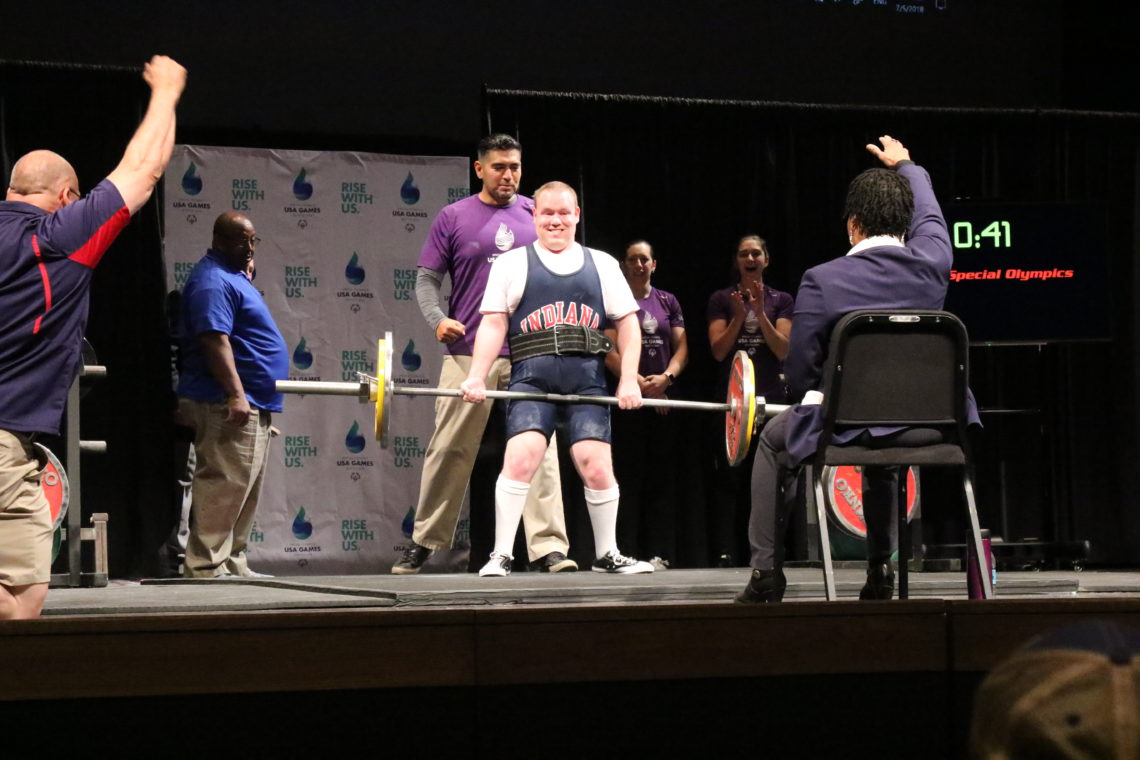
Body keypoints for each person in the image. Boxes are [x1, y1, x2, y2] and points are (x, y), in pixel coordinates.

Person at [737, 134, 974, 603]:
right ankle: (880, 574)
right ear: (907, 226)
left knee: (769, 441)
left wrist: (816, 390)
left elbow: (802, 372)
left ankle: (766, 575)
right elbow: (930, 214)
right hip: (936, 430)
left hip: (846, 428)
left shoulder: (822, 281)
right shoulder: (934, 263)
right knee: (881, 447)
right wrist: (908, 165)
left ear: (852, 226)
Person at [0, 55, 186, 619]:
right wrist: (167, 93)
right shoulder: (57, 238)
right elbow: (142, 171)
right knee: (18, 604)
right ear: (65, 197)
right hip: (3, 444)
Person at [394, 134, 571, 574]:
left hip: (530, 355)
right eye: (498, 167)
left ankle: (549, 547)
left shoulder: (539, 215)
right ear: (479, 169)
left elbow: (567, 275)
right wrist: (437, 319)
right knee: (449, 448)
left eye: (514, 166)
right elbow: (425, 281)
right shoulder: (454, 216)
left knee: (539, 452)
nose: (507, 175)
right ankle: (425, 541)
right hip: (468, 353)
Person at [460, 181, 654, 577]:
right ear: (534, 216)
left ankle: (607, 554)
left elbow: (629, 326)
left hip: (587, 380)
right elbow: (494, 324)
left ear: (577, 216)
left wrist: (629, 380)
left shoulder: (601, 264)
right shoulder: (511, 264)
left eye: (564, 213)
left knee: (596, 465)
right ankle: (500, 555)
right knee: (521, 458)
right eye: (547, 213)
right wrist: (477, 376)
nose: (556, 220)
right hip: (531, 380)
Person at [177, 212, 287, 578]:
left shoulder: (231, 277)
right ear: (220, 240)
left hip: (253, 401)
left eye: (254, 241)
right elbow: (213, 339)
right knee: (223, 487)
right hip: (225, 402)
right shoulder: (212, 281)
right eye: (243, 241)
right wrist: (237, 396)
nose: (250, 249)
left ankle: (233, 561)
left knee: (243, 489)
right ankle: (206, 566)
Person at [706, 235, 794, 566]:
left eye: (756, 252)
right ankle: (728, 553)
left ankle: (770, 553)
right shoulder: (720, 299)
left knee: (772, 480)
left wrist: (760, 312)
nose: (750, 258)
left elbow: (783, 348)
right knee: (730, 480)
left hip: (770, 400)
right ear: (737, 261)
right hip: (732, 402)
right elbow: (717, 351)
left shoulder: (782, 300)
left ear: (766, 259)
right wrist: (741, 315)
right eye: (744, 253)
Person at [603, 240, 688, 564]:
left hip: (664, 401)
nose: (639, 265)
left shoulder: (668, 301)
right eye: (633, 260)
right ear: (624, 265)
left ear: (654, 264)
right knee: (627, 477)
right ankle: (624, 551)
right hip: (628, 400)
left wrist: (666, 378)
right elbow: (609, 351)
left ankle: (659, 553)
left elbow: (682, 347)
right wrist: (636, 381)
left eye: (645, 259)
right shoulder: (615, 300)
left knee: (661, 480)